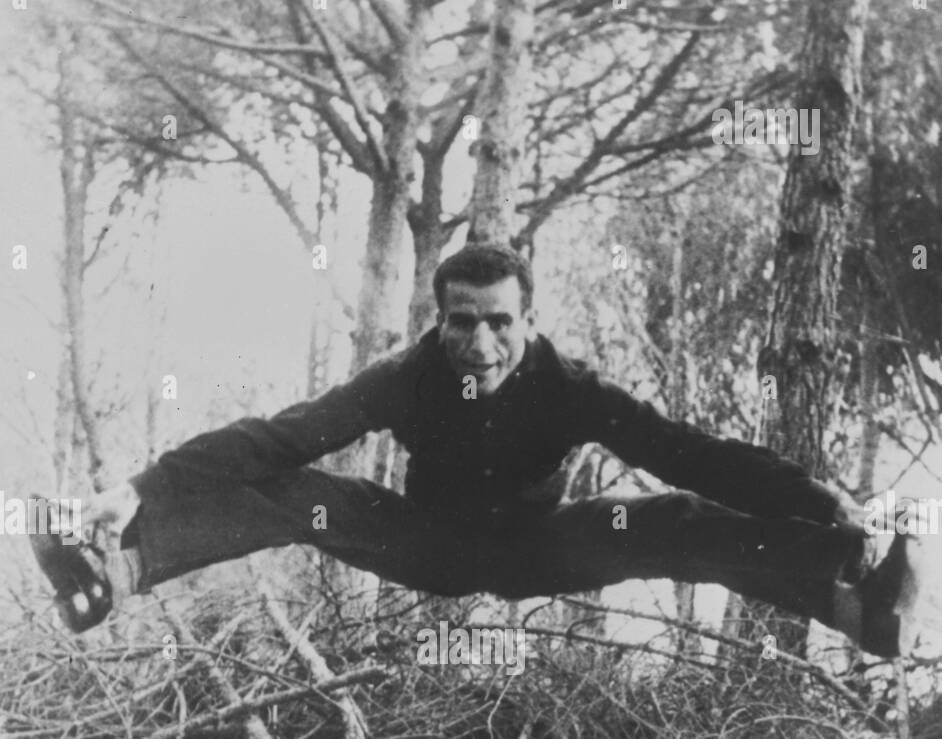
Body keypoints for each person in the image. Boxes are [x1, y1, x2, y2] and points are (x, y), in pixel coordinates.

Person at [31, 241, 916, 657]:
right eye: (464, 323)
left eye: (501, 325)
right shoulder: (405, 379)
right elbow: (281, 435)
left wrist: (818, 497)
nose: (481, 347)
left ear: (526, 322)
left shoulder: (572, 387)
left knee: (681, 517)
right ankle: (120, 567)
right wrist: (139, 484)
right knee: (295, 489)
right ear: (438, 320)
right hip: (432, 545)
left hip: (543, 546)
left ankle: (854, 594)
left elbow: (685, 451)